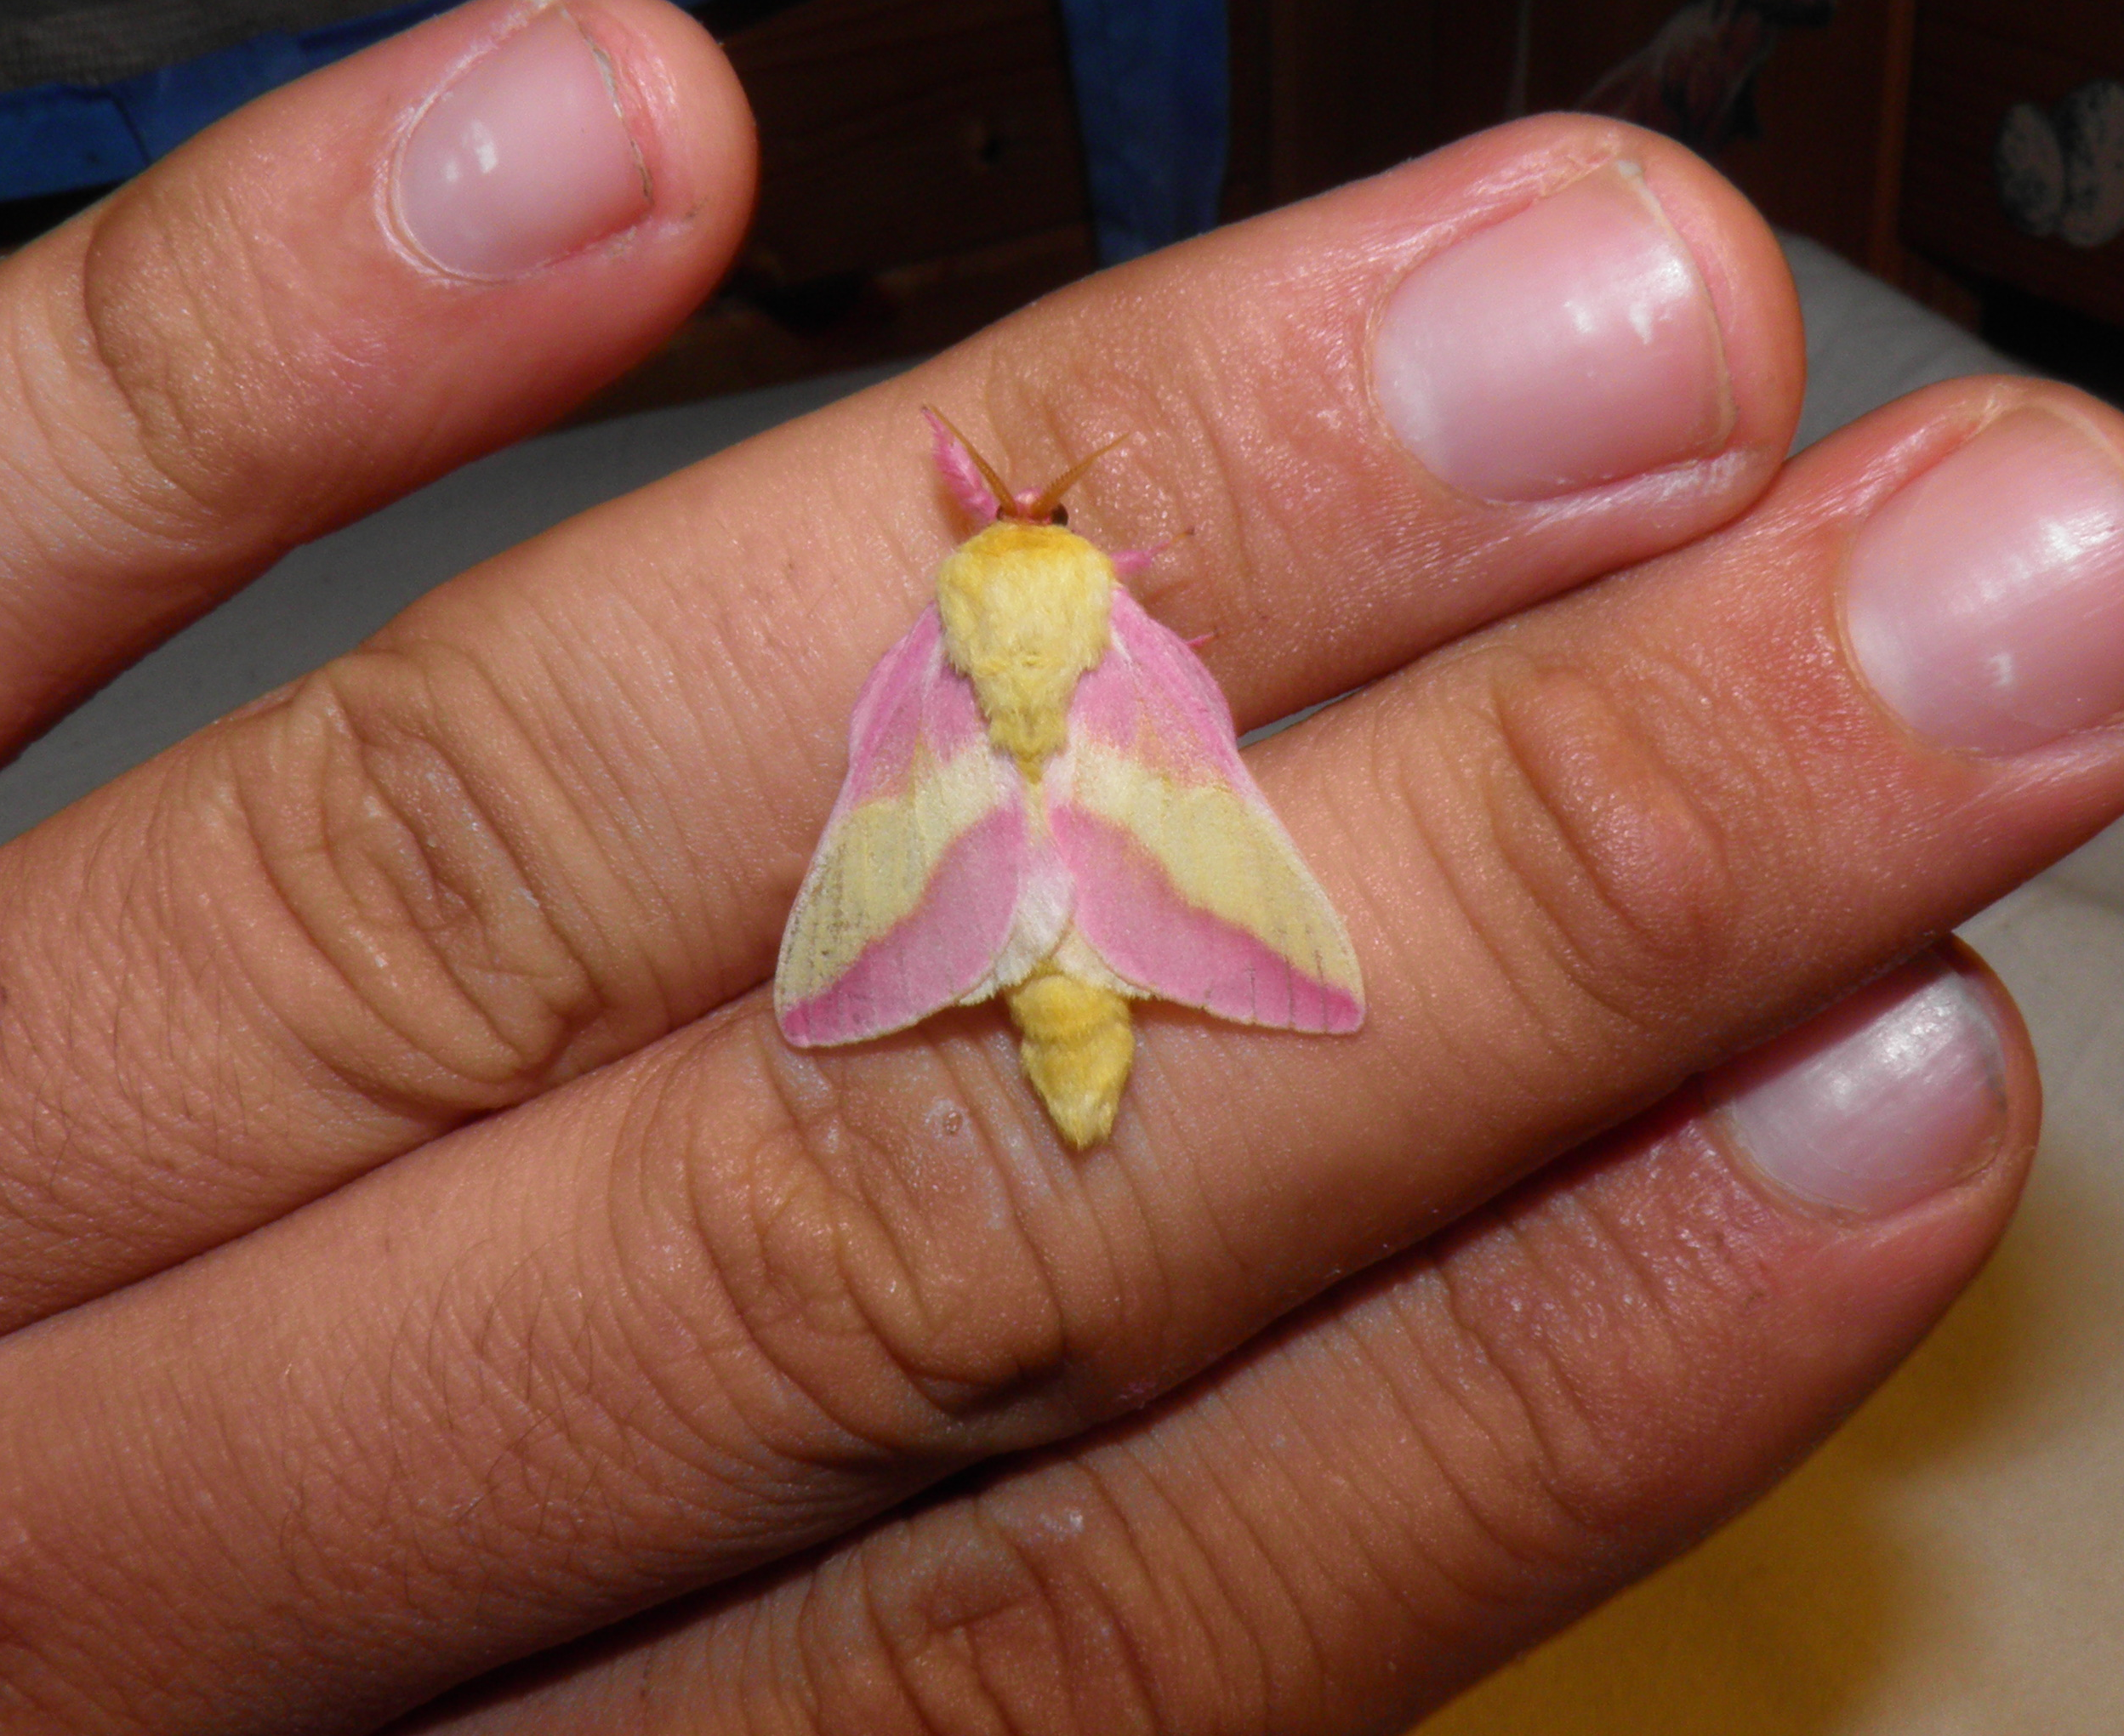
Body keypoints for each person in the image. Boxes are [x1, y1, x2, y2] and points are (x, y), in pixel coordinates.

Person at [0, 2, 2106, 1731]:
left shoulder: (930, 659)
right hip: (1128, 894)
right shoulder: (1127, 648)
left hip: (979, 922)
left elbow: (854, 882)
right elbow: (1188, 776)